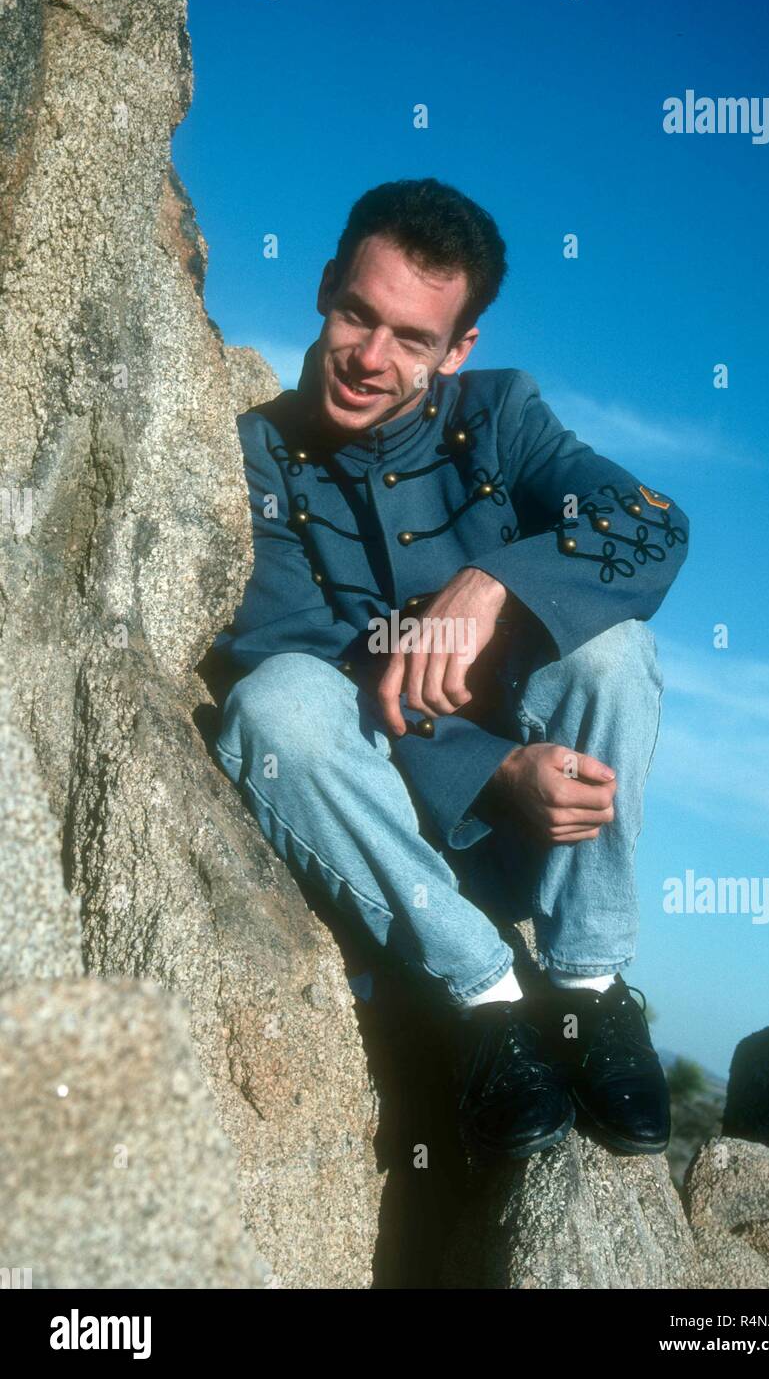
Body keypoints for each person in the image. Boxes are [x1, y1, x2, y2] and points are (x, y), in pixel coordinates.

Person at [212, 177, 689, 1161]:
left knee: (614, 647)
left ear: (457, 349)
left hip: (534, 844)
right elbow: (291, 648)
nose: (371, 358)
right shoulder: (253, 454)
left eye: (413, 339)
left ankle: (588, 985)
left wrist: (492, 583)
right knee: (276, 705)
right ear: (324, 285)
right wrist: (494, 770)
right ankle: (484, 1003)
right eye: (356, 313)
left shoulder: (504, 414)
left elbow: (650, 524)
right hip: (375, 819)